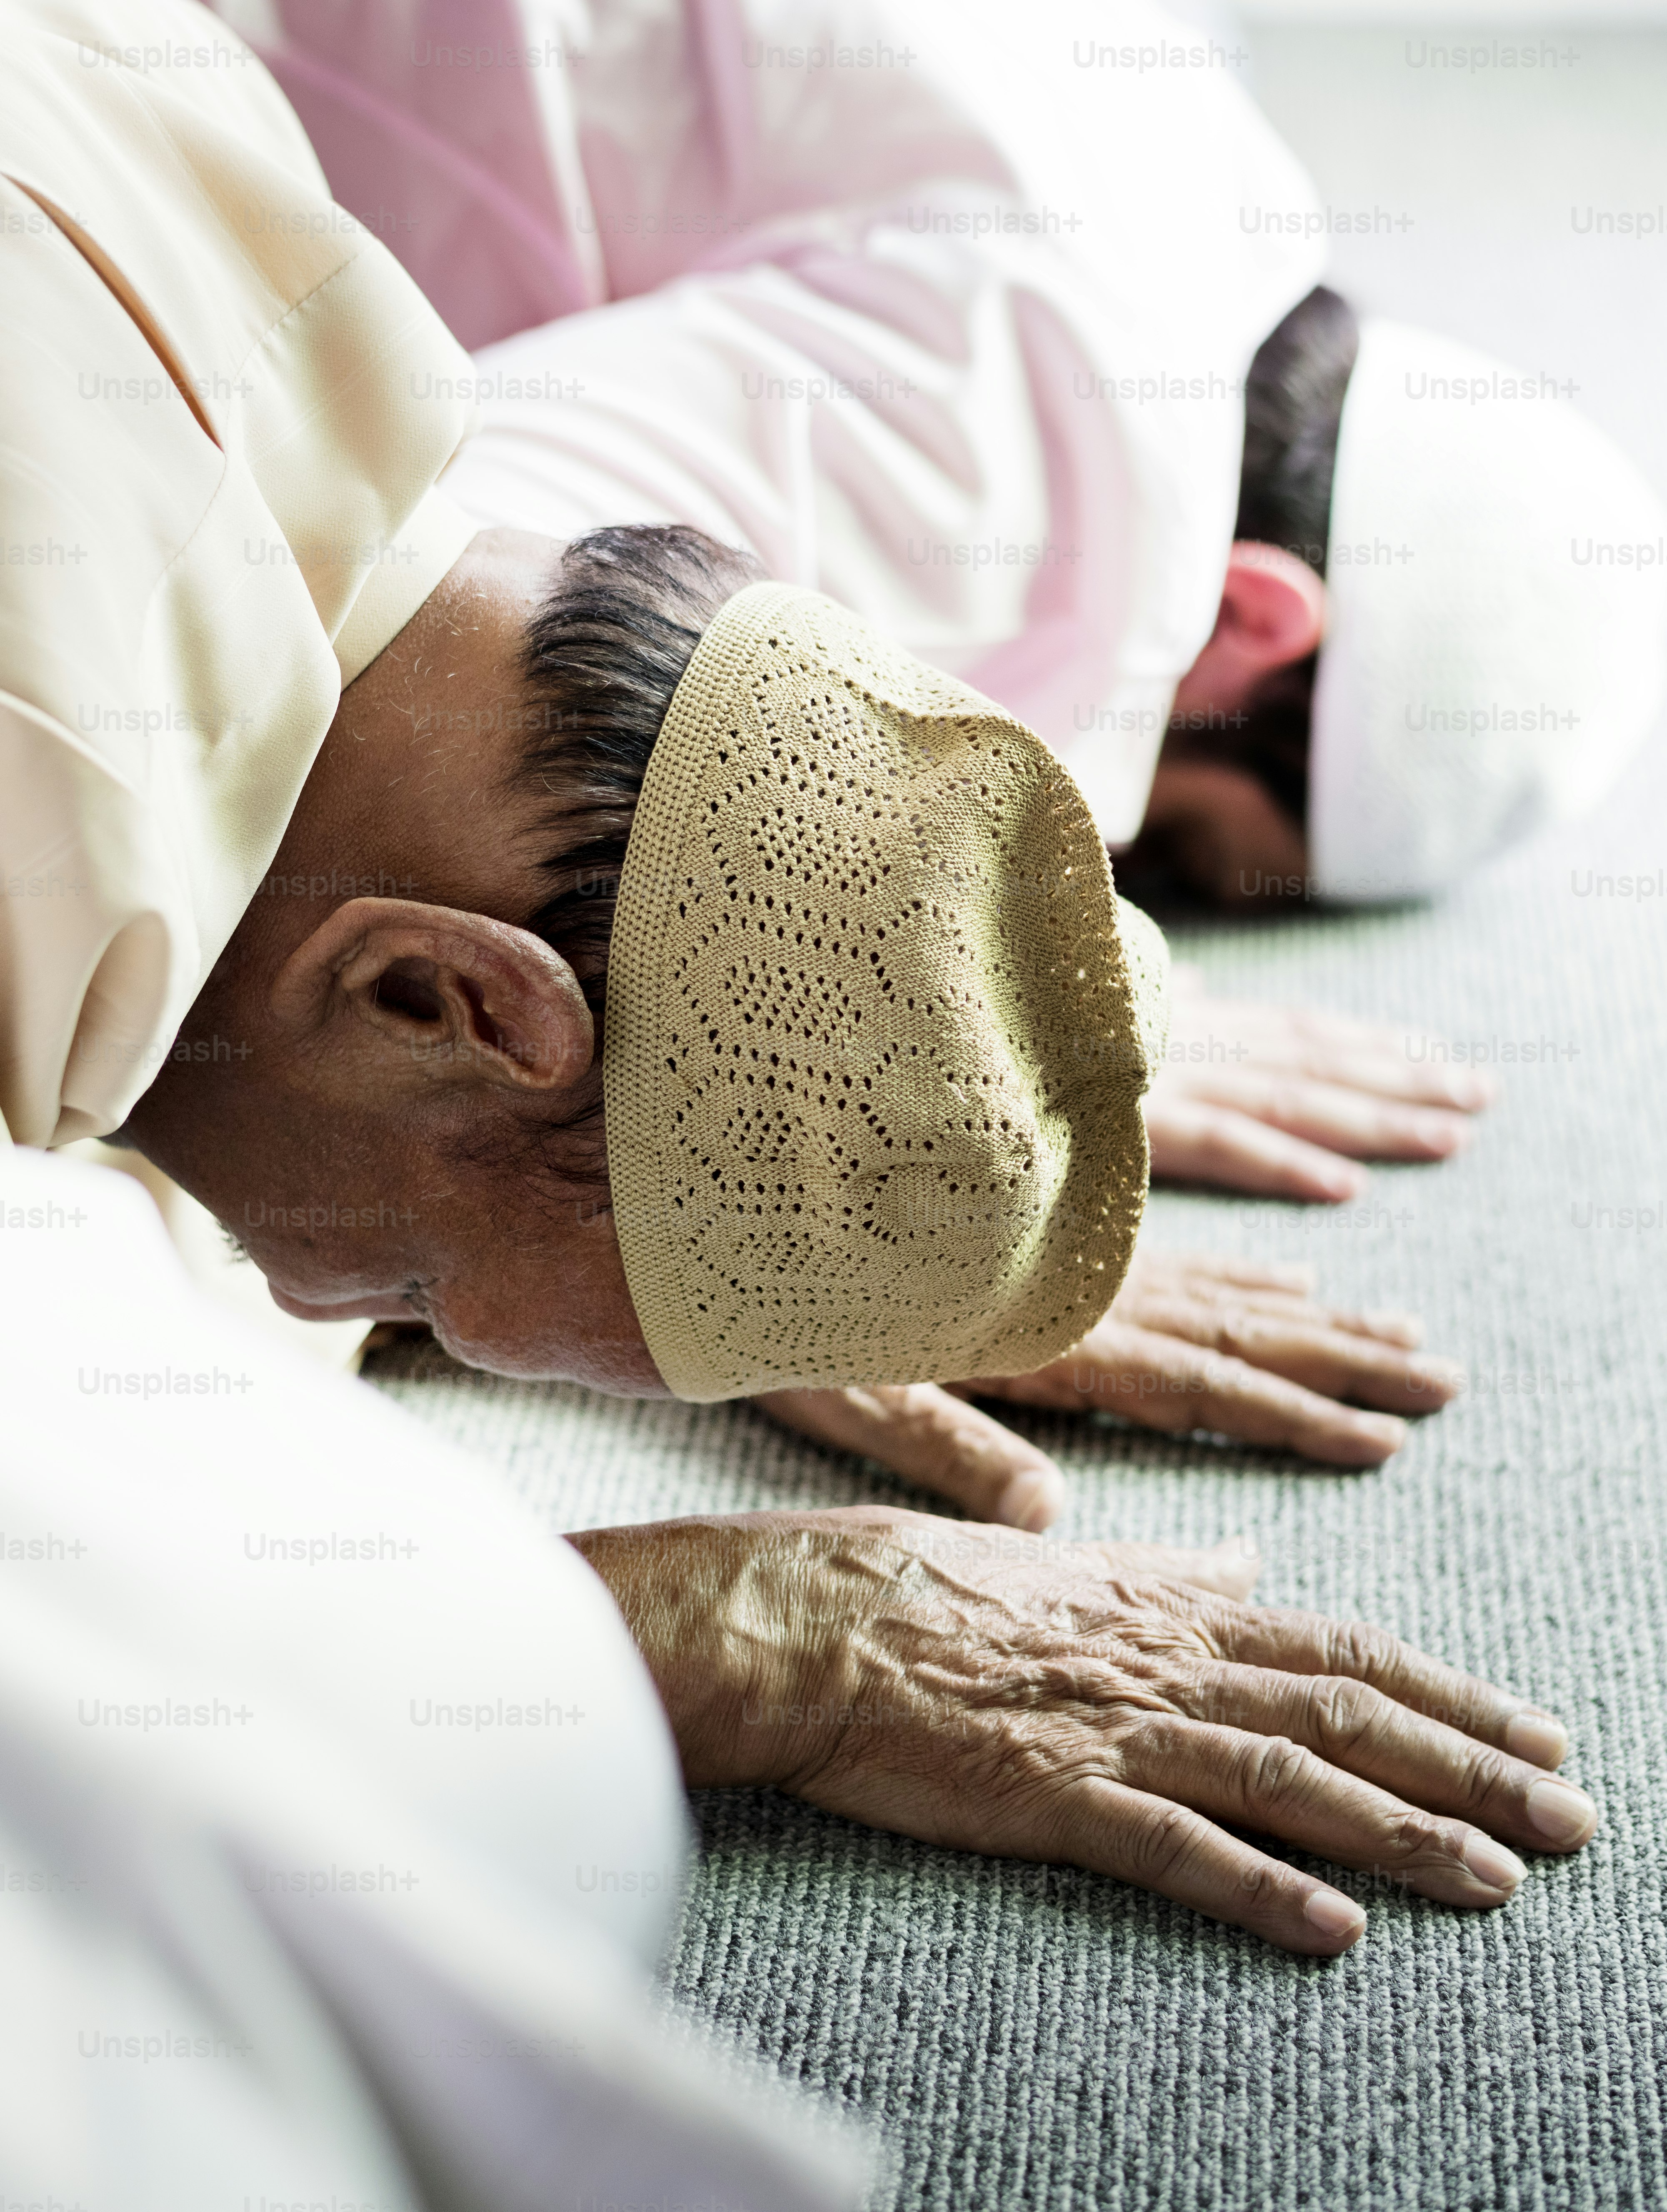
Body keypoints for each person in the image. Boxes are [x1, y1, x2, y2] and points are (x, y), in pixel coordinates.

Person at [0, 0, 1598, 2028]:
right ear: (443, 995)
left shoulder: (250, 215)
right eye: (405, 1271)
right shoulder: (57, 805)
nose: (336, 1320)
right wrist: (763, 1630)